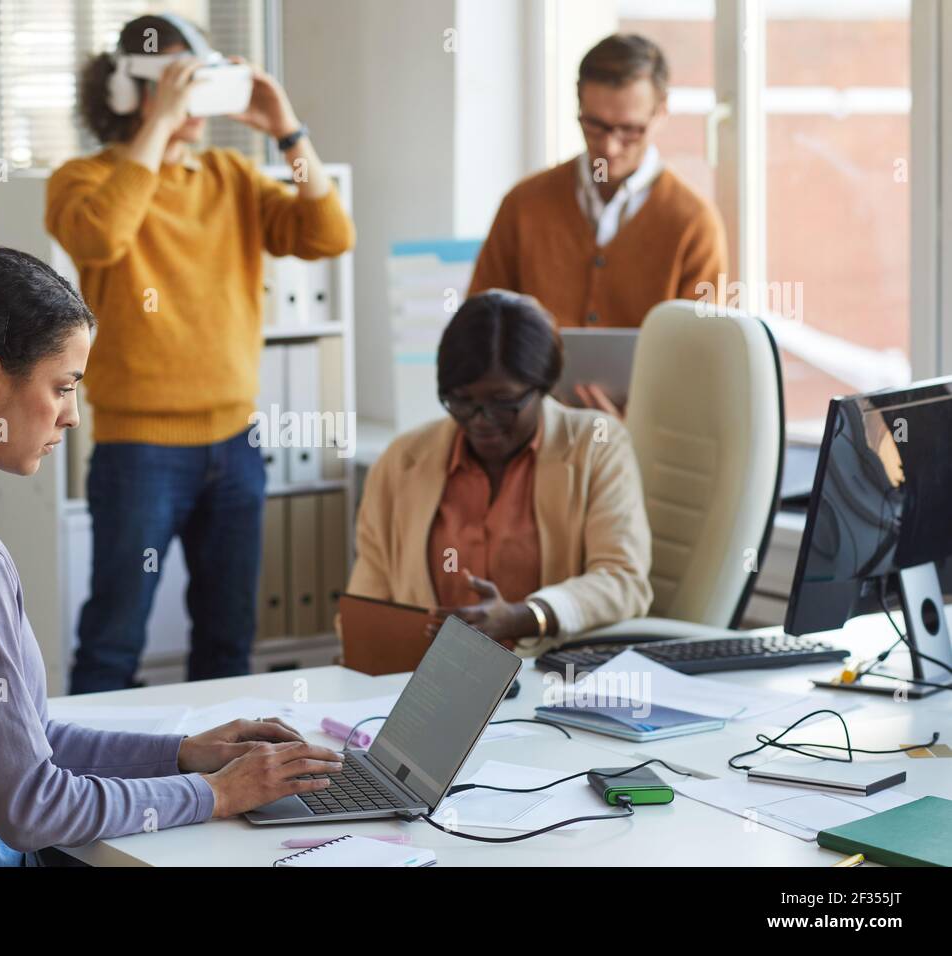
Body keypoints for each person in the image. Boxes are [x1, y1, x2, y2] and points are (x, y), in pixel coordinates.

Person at [0, 246, 342, 866]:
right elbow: (32, 803)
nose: (73, 415)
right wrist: (214, 794)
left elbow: (18, 740)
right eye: (62, 387)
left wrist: (183, 753)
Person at [46, 13, 355, 694]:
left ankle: (223, 788)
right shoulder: (83, 179)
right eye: (174, 82)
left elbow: (330, 234)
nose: (192, 100)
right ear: (129, 92)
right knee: (112, 640)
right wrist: (158, 124)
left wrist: (287, 128)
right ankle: (86, 795)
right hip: (139, 452)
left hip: (235, 446)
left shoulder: (231, 178)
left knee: (227, 641)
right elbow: (100, 238)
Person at [346, 290, 652, 653]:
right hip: (425, 685)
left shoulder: (596, 445)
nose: (481, 420)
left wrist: (526, 616)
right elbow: (369, 603)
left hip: (549, 682)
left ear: (544, 387)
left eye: (503, 403)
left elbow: (623, 579)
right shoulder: (404, 459)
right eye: (462, 401)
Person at [468, 33, 727, 415]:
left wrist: (634, 420)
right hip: (528, 432)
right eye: (595, 126)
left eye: (630, 130)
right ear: (578, 105)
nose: (610, 147)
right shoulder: (523, 205)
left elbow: (701, 364)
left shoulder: (692, 224)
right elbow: (479, 327)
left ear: (661, 112)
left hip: (648, 444)